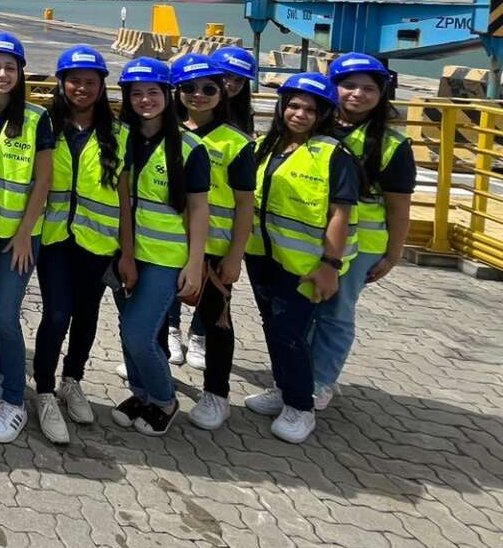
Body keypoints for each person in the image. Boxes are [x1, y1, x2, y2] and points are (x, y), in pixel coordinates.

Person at [243, 72, 357, 443]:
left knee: (290, 332)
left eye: (310, 109)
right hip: (262, 256)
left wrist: (330, 265)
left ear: (323, 114)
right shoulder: (268, 146)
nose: (300, 114)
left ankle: (300, 407)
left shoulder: (332, 154)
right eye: (293, 105)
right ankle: (283, 387)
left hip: (305, 265)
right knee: (272, 326)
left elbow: (340, 213)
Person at [31, 45, 129, 445]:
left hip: (97, 241)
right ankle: (43, 390)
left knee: (87, 314)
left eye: (90, 82)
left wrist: (127, 250)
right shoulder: (46, 126)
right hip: (54, 239)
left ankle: (73, 380)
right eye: (74, 81)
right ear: (61, 84)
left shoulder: (118, 135)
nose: (82, 88)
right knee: (56, 314)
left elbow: (125, 199)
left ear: (102, 86)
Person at [310, 53, 414, 411]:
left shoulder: (391, 145)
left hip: (361, 245)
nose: (357, 94)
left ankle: (321, 380)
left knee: (336, 310)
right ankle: (296, 377)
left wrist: (393, 253)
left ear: (382, 93)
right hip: (311, 237)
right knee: (304, 308)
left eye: (369, 88)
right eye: (348, 85)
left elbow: (399, 207)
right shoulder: (315, 127)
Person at [110, 57, 208, 437]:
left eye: (153, 92)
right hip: (125, 253)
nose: (145, 100)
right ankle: (141, 393)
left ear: (168, 96)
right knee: (126, 328)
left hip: (166, 258)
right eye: (136, 93)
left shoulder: (188, 147)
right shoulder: (122, 139)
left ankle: (165, 399)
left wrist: (196, 264)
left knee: (139, 332)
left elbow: (199, 210)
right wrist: (126, 254)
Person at [0, 33, 54, 442]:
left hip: (19, 237)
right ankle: (1, 375)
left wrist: (24, 235)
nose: (1, 74)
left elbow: (43, 181)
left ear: (20, 73)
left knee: (5, 313)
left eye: (9, 67)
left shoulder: (38, 118)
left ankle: (16, 401)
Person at [169, 52, 256, 429]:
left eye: (207, 88)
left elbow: (245, 205)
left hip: (215, 249)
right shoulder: (168, 131)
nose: (198, 95)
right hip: (166, 243)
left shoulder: (236, 142)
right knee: (156, 314)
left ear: (222, 92)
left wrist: (236, 255)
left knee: (216, 321)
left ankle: (216, 395)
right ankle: (155, 377)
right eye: (189, 88)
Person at [213, 46, 258, 135]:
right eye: (226, 76)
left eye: (239, 80)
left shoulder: (244, 113)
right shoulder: (194, 104)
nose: (231, 83)